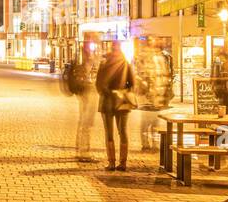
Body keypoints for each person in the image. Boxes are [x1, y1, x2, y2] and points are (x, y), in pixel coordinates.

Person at [95, 40, 136, 171]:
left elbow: (98, 84)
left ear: (111, 49)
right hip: (122, 101)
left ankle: (111, 163)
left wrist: (106, 92)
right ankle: (123, 163)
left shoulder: (104, 63)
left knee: (109, 133)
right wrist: (124, 91)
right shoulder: (126, 63)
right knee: (123, 131)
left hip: (107, 101)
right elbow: (133, 83)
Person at [134, 41, 173, 151]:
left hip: (157, 95)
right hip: (147, 96)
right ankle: (146, 143)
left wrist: (163, 93)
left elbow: (164, 76)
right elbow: (139, 76)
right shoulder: (143, 58)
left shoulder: (161, 58)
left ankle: (154, 143)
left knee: (155, 121)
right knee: (146, 122)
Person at [64, 42, 98, 161]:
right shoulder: (86, 62)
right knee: (86, 123)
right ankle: (84, 153)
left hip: (86, 94)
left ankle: (82, 150)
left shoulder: (84, 61)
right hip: (87, 94)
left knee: (85, 123)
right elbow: (88, 79)